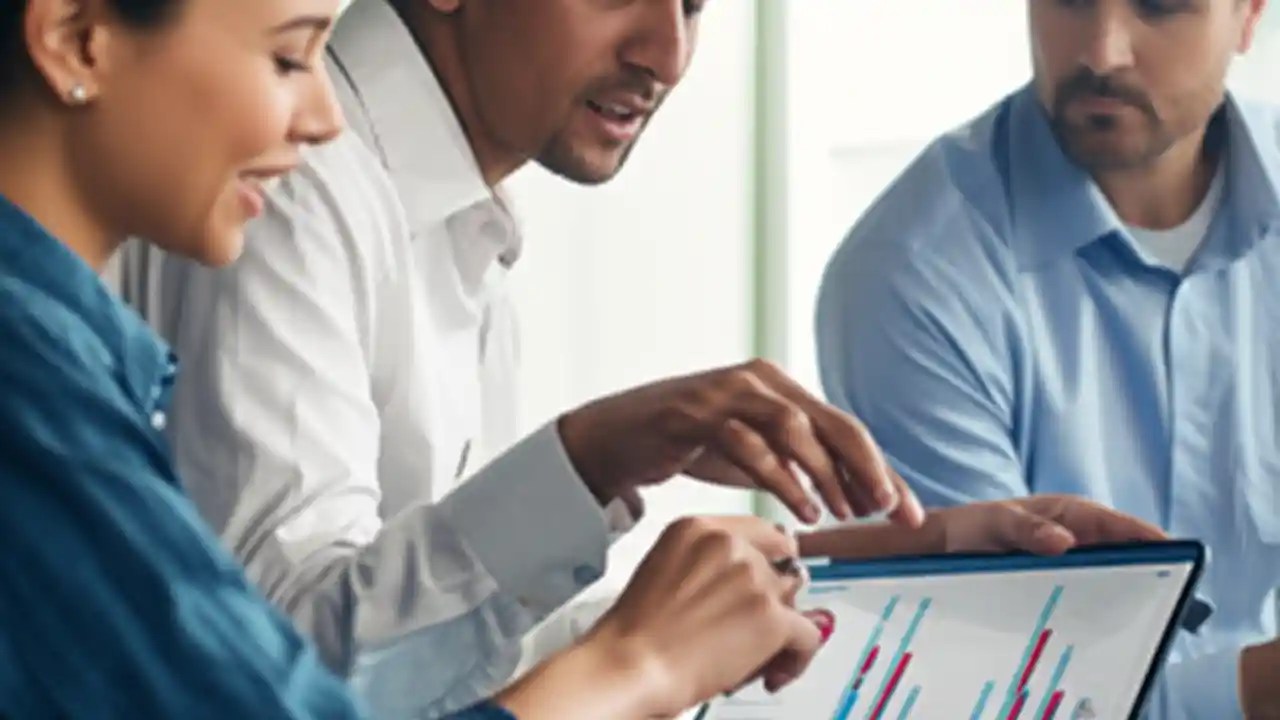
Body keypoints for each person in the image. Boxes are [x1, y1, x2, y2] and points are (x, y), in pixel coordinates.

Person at [0, 0, 856, 717]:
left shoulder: (457, 213)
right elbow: (283, 684)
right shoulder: (50, 367)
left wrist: (707, 620)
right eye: (293, 55)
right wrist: (634, 667)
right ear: (76, 40)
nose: (669, 53)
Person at [816, 0, 1279, 718]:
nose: (1101, 51)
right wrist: (1251, 691)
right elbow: (988, 691)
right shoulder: (909, 275)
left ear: (1249, 16)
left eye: (1159, 6)